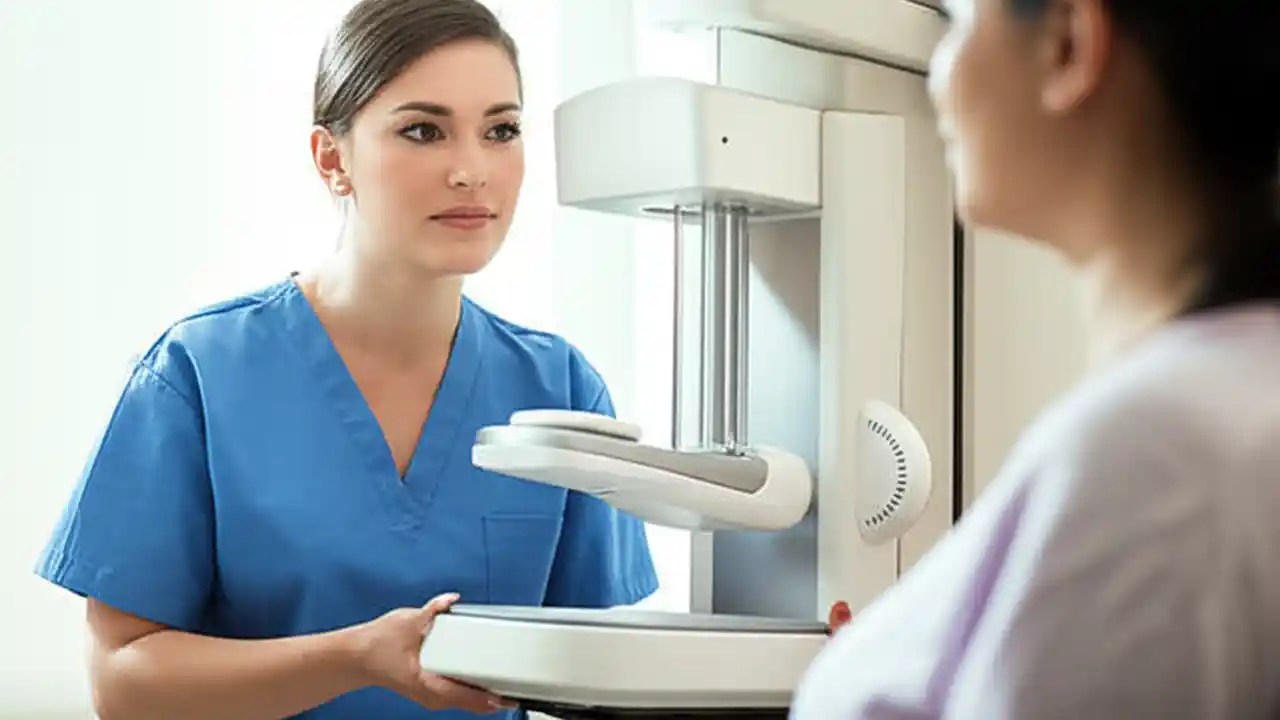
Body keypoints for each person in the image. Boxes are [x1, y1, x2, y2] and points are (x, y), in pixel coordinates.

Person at [33, 1, 658, 718]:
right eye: (423, 131)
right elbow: (122, 682)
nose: (471, 170)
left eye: (501, 130)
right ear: (333, 158)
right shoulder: (199, 373)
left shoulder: (560, 391)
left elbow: (604, 678)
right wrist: (355, 658)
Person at [793, 0, 1279, 717]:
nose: (937, 72)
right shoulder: (1227, 400)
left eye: (960, 21)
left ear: (1068, 46)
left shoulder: (1155, 459)